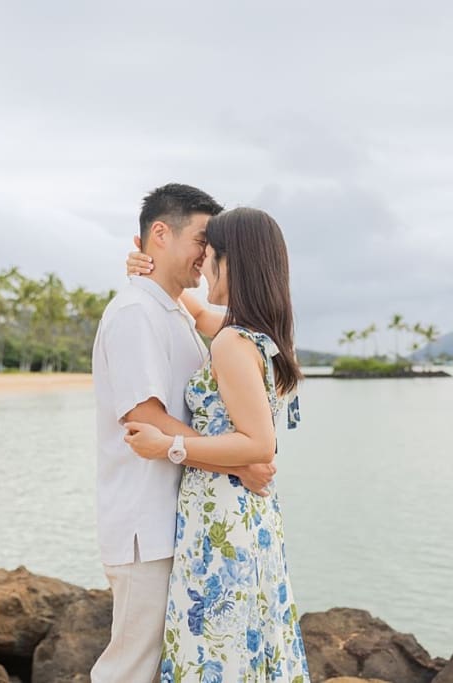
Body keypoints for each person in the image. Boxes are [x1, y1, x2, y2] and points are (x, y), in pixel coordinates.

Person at [91, 185, 277, 683]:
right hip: (144, 524)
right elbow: (145, 419)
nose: (208, 255)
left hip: (179, 523)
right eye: (201, 239)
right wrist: (240, 461)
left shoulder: (174, 311)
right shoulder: (135, 313)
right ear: (160, 234)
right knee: (131, 670)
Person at [124, 207, 311, 682]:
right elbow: (200, 311)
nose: (202, 263)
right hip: (249, 514)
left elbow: (259, 444)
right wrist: (148, 267)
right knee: (248, 640)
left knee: (214, 649)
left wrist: (170, 445)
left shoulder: (232, 343)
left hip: (221, 514)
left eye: (209, 253)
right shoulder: (257, 334)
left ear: (232, 261)